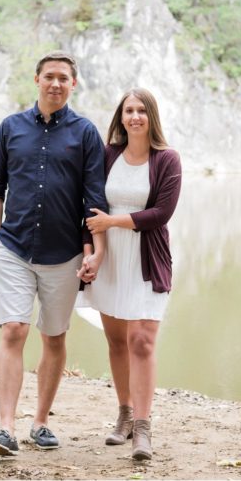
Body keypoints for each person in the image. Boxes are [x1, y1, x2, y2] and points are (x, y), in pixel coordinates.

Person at [0, 51, 108, 456]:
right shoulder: (10, 127)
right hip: (13, 248)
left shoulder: (86, 133)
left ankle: (40, 423)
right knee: (14, 329)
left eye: (63, 78)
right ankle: (4, 428)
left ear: (73, 85)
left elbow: (94, 197)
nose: (55, 84)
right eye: (49, 76)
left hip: (64, 254)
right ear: (36, 80)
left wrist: (95, 251)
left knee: (53, 336)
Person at [77, 87, 182, 461]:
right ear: (120, 117)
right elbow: (89, 206)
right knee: (117, 342)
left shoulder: (167, 160)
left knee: (142, 341)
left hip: (147, 258)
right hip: (110, 259)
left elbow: (161, 215)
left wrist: (114, 221)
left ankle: (143, 427)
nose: (135, 116)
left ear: (151, 116)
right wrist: (92, 252)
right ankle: (122, 415)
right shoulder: (108, 156)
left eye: (141, 110)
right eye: (128, 111)